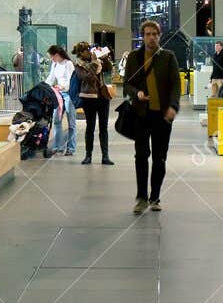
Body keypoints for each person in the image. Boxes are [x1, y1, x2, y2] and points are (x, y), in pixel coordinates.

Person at [123, 20, 180, 213]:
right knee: (141, 156)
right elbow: (127, 84)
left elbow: (175, 85)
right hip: (141, 115)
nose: (151, 38)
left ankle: (155, 197)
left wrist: (173, 106)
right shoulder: (134, 57)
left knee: (159, 158)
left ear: (159, 36)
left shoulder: (168, 57)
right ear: (142, 36)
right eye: (147, 34)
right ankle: (141, 198)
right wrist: (137, 93)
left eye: (154, 34)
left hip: (163, 116)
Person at [72, 41, 113, 166]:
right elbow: (87, 78)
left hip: (103, 97)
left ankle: (105, 156)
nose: (89, 52)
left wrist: (104, 58)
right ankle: (88, 155)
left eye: (89, 49)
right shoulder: (78, 65)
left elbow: (108, 69)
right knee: (90, 127)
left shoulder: (97, 60)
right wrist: (95, 63)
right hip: (89, 98)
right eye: (86, 50)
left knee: (103, 127)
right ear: (80, 53)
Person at [45, 44, 76, 157]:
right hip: (58, 94)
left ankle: (71, 148)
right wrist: (44, 86)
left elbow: (71, 81)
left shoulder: (68, 64)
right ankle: (57, 146)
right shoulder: (55, 64)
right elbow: (51, 78)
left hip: (69, 94)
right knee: (56, 120)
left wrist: (63, 87)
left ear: (57, 55)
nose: (51, 59)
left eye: (52, 57)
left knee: (71, 122)